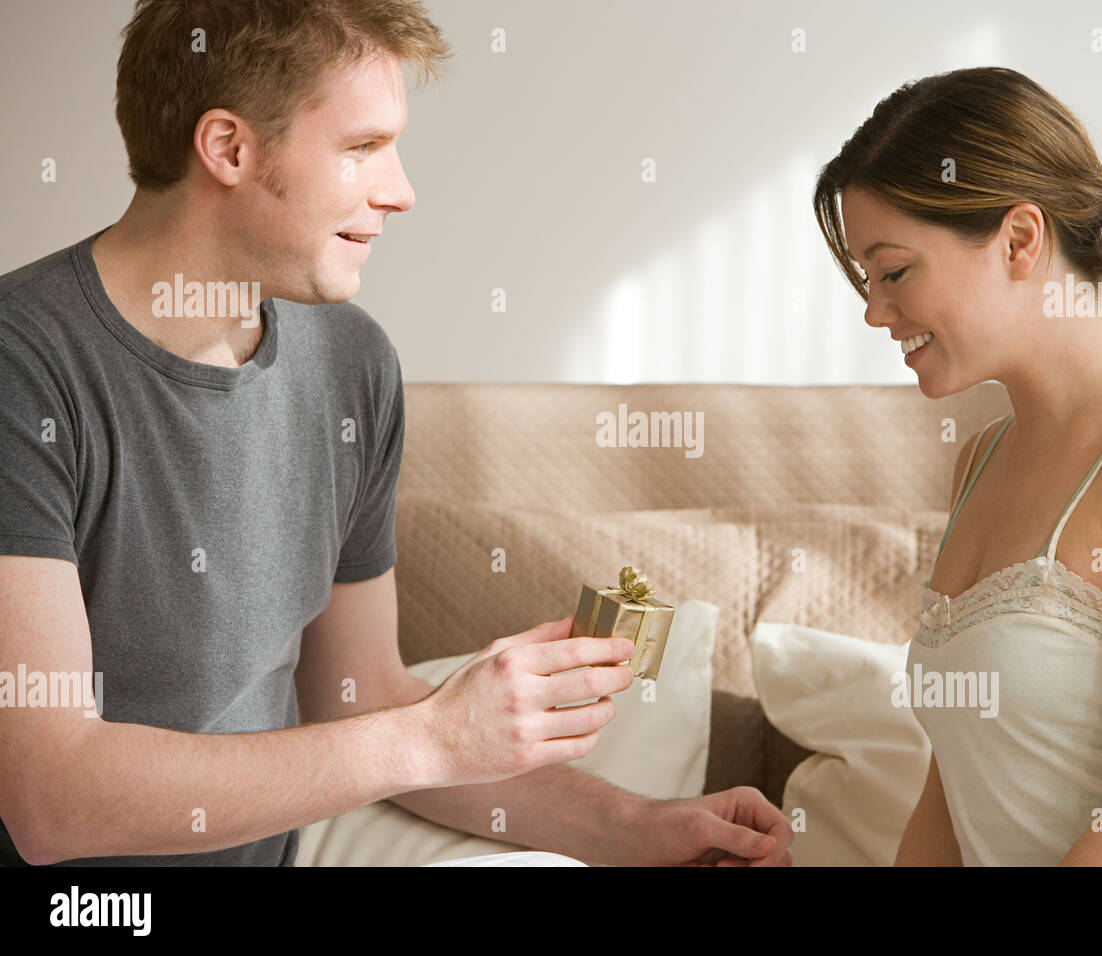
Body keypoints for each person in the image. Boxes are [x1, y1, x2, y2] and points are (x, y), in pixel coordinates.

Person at [0, 0, 792, 867]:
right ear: (228, 148)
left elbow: (358, 699)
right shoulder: (23, 366)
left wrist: (641, 829)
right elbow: (54, 799)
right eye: (362, 147)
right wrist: (433, 736)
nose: (401, 191)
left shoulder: (351, 363)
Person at [813, 66, 1102, 866]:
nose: (874, 309)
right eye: (868, 281)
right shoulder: (981, 461)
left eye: (894, 272)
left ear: (1020, 240)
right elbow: (953, 795)